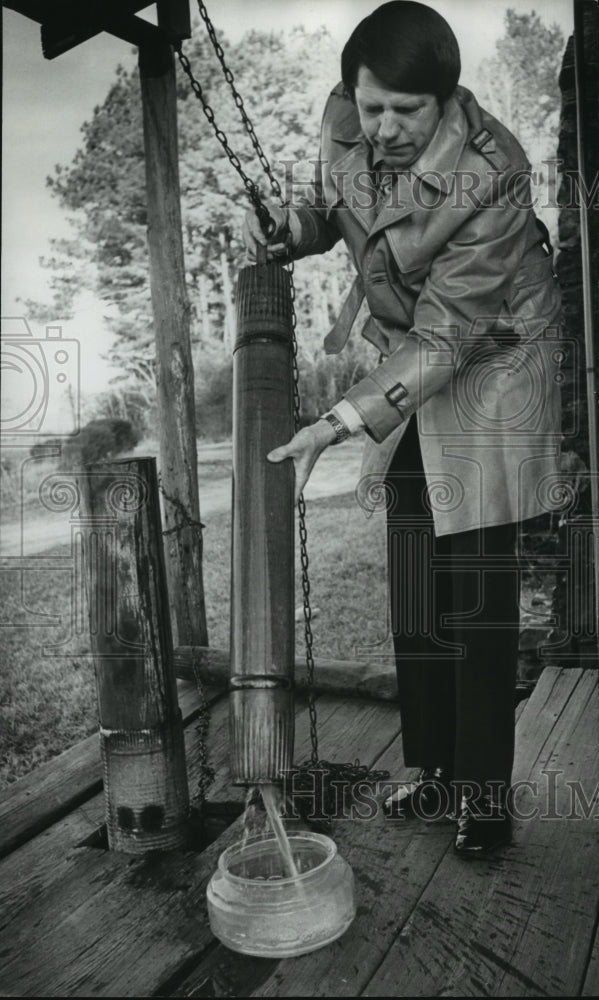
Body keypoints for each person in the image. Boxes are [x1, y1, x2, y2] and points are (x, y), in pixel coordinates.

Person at [243, 0, 562, 856]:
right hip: (412, 353)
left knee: (475, 583)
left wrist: (339, 419)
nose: (381, 127)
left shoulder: (493, 171)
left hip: (492, 356)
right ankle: (432, 769)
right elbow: (334, 206)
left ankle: (483, 797)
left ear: (444, 98)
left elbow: (450, 332)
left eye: (404, 111)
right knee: (416, 562)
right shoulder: (347, 116)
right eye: (370, 105)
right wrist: (291, 230)